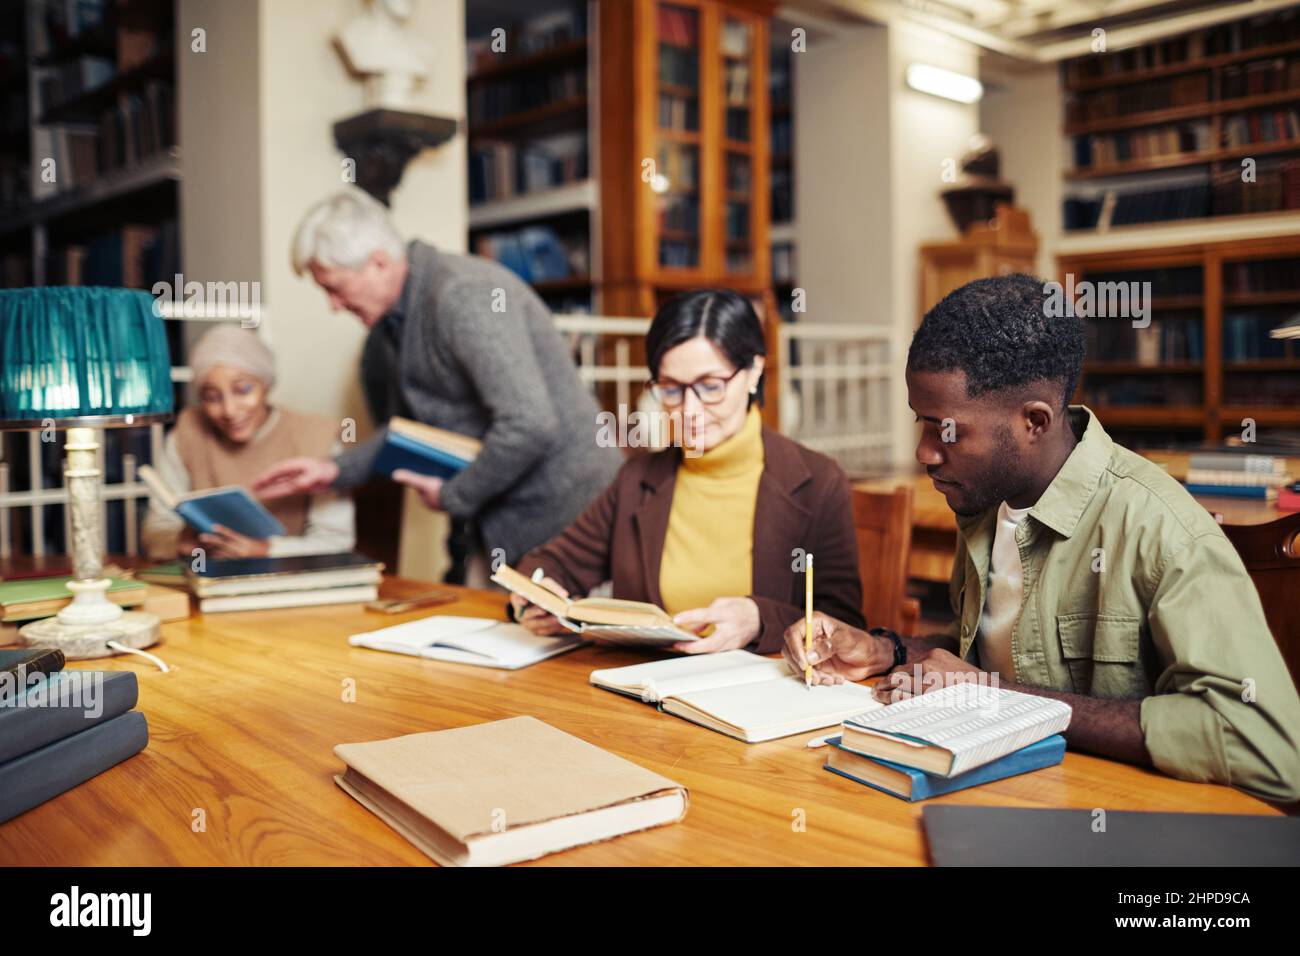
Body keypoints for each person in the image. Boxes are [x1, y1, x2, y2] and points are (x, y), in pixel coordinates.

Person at [782, 274, 1300, 803]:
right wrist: (883, 650)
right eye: (922, 422)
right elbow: (987, 659)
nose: (924, 452)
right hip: (1010, 800)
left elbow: (1267, 747)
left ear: (1034, 421)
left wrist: (995, 698)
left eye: (946, 429)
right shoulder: (985, 499)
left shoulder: (1164, 533)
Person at [252, 190, 622, 582]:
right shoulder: (398, 319)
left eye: (336, 288)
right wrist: (332, 470)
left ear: (378, 262)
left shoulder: (462, 297)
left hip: (567, 517)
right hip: (502, 518)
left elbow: (529, 424)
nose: (334, 306)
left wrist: (453, 495)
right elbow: (410, 432)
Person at [512, 289, 864, 655]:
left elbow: (844, 625)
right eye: (671, 390)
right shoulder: (638, 479)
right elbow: (551, 563)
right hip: (642, 692)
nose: (689, 411)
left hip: (759, 698)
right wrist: (538, 594)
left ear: (753, 372)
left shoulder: (818, 482)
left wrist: (760, 618)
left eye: (710, 387)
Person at [142, 326, 354, 561]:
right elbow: (156, 532)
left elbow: (336, 541)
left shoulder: (318, 436)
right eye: (212, 397)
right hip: (210, 580)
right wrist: (183, 543)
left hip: (291, 583)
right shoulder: (188, 432)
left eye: (243, 390)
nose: (230, 411)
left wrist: (263, 550)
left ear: (266, 384)